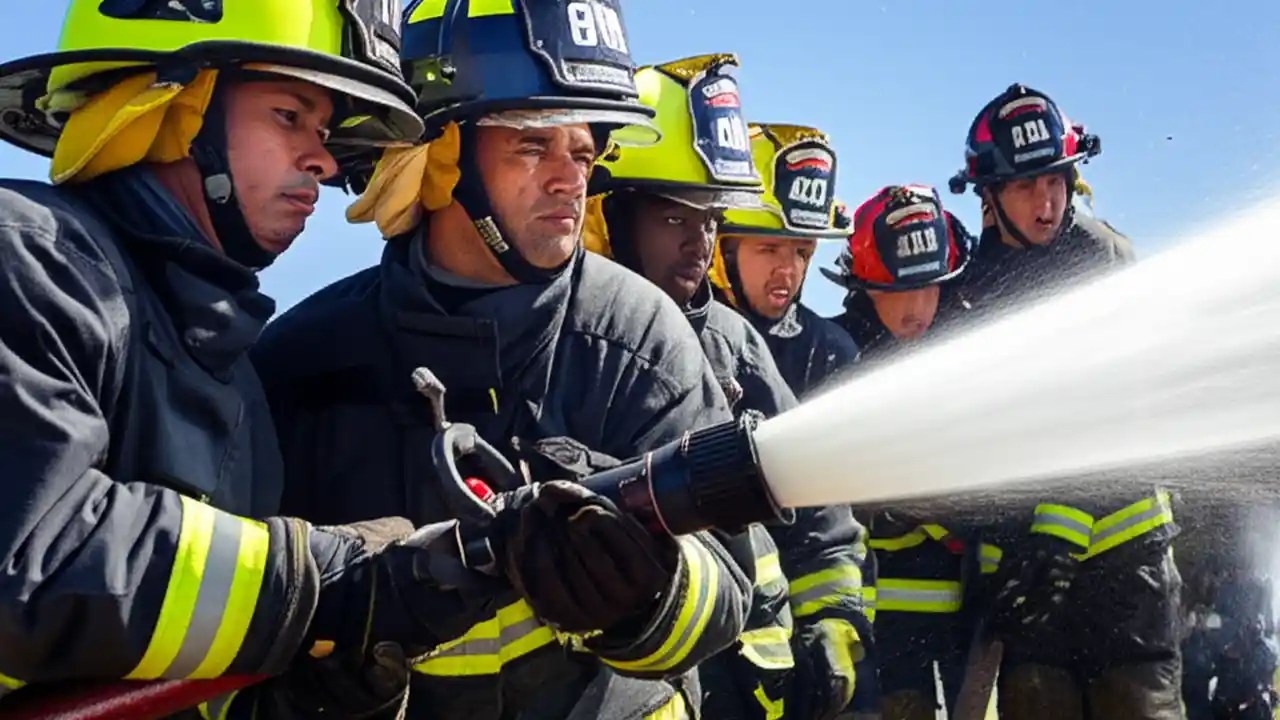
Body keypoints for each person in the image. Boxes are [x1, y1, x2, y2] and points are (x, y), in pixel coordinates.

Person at [250, 4, 755, 719]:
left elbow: (731, 588)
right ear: (441, 154)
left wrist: (650, 596)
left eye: (582, 153)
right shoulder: (304, 359)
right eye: (531, 146)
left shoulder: (641, 335)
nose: (568, 180)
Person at [0, 0, 482, 716]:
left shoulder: (236, 374)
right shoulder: (28, 258)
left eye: (322, 132)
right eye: (289, 116)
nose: (321, 158)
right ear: (172, 110)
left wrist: (315, 687)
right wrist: (321, 582)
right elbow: (27, 564)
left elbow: (181, 671)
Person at [586, 52, 868, 720]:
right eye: (675, 218)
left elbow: (818, 504)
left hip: (747, 687)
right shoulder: (574, 340)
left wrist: (833, 616)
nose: (700, 240)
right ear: (611, 214)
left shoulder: (732, 342)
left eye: (711, 217)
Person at [947, 83, 1180, 720]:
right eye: (1026, 187)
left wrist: (1060, 530)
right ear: (989, 193)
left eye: (1057, 180)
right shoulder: (970, 289)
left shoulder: (1104, 257)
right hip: (1026, 577)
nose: (1047, 202)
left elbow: (1127, 403)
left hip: (1126, 573)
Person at [821, 185, 996, 720]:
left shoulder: (974, 353)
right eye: (901, 291)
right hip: (879, 623)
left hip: (969, 610)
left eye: (932, 289)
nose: (919, 308)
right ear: (864, 284)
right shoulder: (836, 358)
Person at [710, 123, 860, 399]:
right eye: (769, 249)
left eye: (802, 253)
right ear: (723, 251)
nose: (788, 269)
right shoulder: (673, 333)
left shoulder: (828, 352)